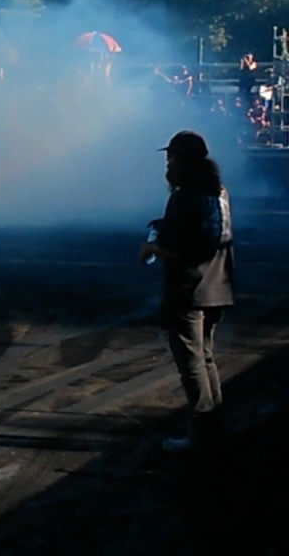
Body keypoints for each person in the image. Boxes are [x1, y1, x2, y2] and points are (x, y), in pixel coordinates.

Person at [139, 130, 235, 454]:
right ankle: (213, 428)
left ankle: (203, 435)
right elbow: (205, 235)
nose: (168, 164)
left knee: (191, 363)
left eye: (171, 157)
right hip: (217, 285)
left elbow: (181, 248)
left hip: (189, 290)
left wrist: (152, 246)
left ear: (179, 161)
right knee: (205, 358)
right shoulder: (219, 192)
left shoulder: (184, 195)